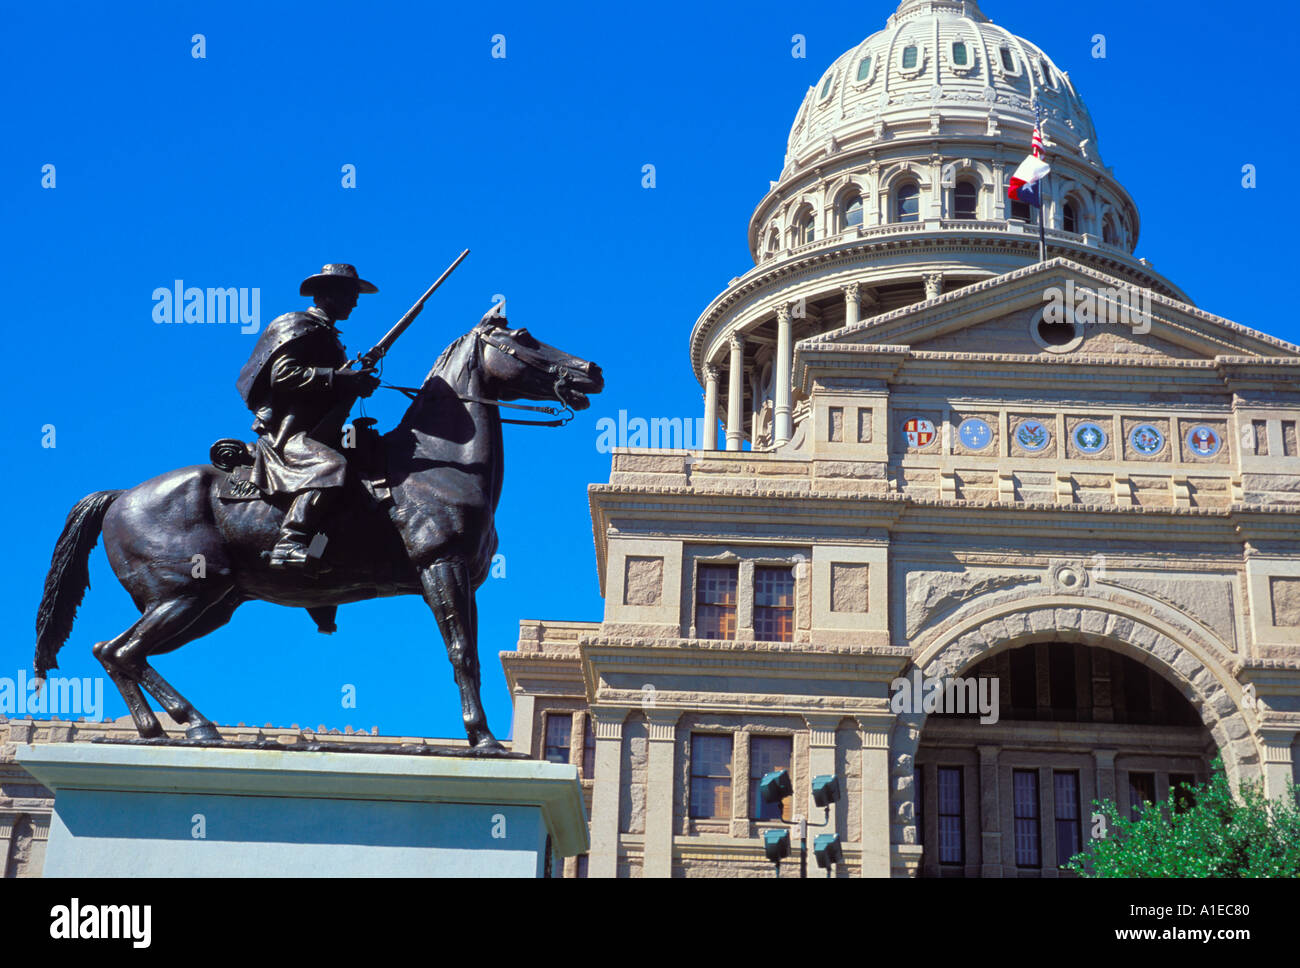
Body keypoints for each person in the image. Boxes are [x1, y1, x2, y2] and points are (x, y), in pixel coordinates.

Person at [235, 264, 381, 573]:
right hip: (291, 435)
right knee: (332, 466)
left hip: (322, 431)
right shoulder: (300, 325)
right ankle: (289, 541)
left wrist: (356, 381)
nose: (355, 303)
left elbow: (330, 389)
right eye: (350, 295)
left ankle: (323, 553)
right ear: (328, 294)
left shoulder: (328, 336)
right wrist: (341, 378)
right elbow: (282, 376)